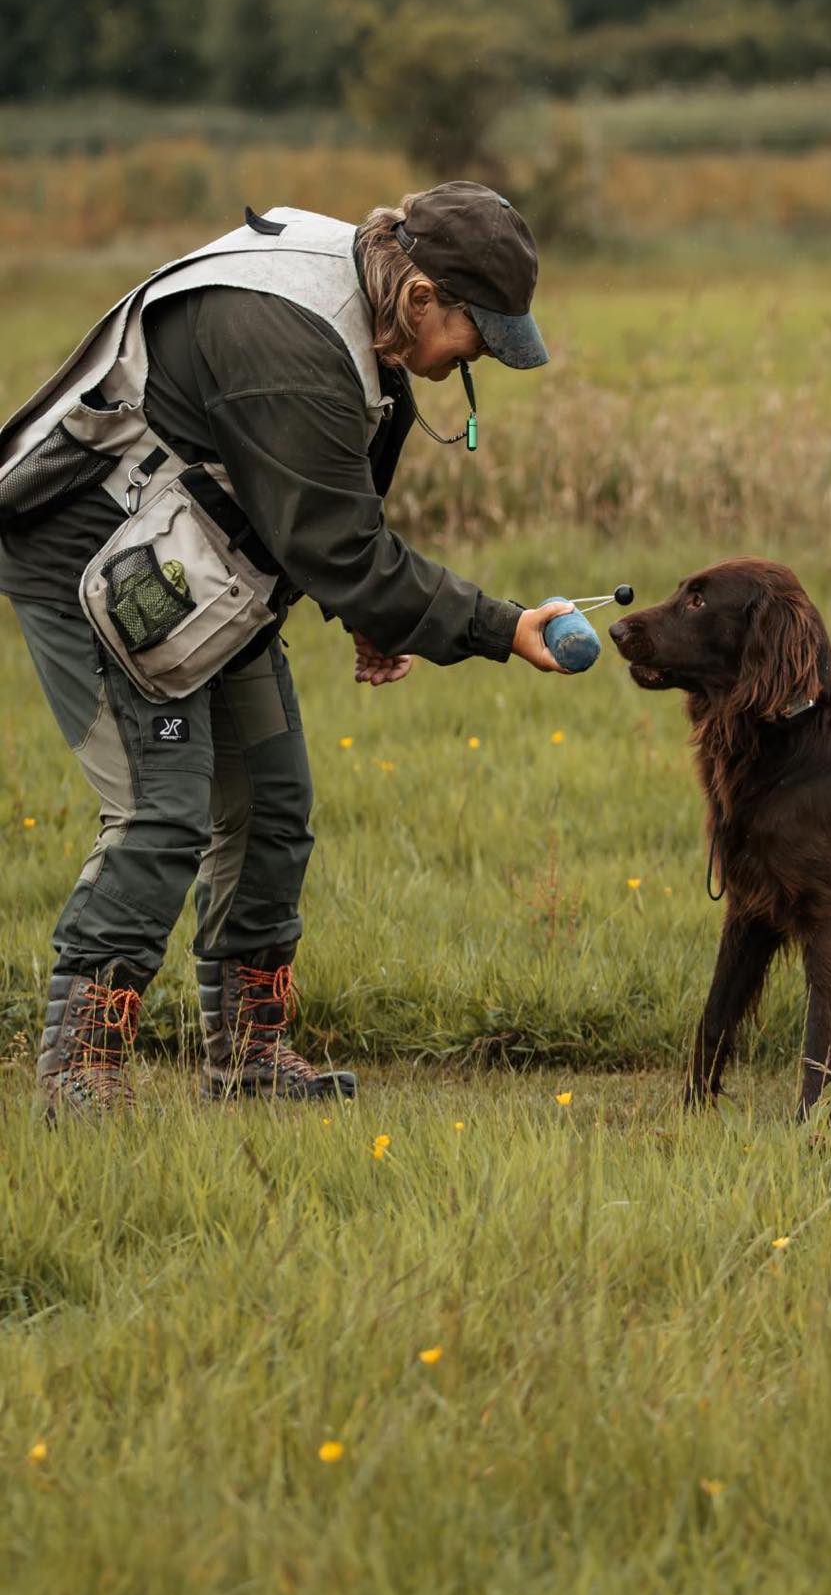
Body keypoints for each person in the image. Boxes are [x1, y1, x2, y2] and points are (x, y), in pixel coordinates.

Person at [0, 182, 574, 1116]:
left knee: (273, 799)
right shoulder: (291, 346)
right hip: (94, 560)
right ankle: (79, 1068)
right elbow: (339, 546)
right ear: (424, 295)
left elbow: (317, 505)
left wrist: (370, 609)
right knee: (164, 810)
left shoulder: (367, 301)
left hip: (202, 562)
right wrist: (498, 628)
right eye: (480, 334)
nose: (480, 359)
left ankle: (249, 1055)